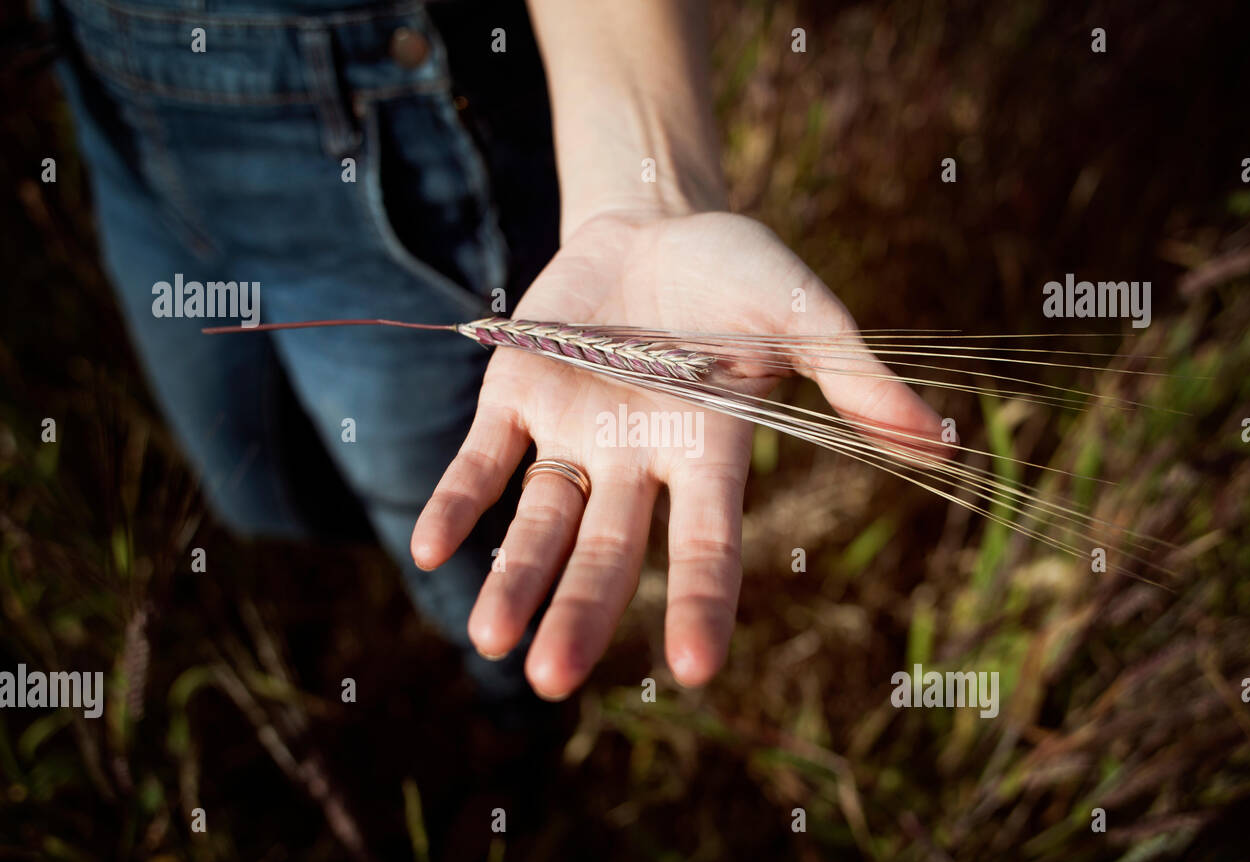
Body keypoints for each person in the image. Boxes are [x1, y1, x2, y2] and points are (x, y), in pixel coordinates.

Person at [38, 0, 942, 709]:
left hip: (371, 101)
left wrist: (650, 196)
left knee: (440, 518)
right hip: (110, 98)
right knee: (258, 489)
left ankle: (512, 709)